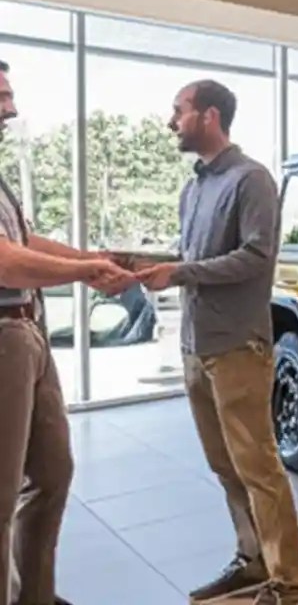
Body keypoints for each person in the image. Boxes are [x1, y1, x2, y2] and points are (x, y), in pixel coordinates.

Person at [132, 79, 298, 605]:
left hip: (238, 347)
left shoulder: (251, 179)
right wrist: (143, 264)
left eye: (178, 110)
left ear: (209, 116)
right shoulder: (194, 188)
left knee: (258, 467)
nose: (171, 121)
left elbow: (257, 257)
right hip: (196, 345)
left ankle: (290, 581)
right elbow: (194, 254)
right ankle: (253, 561)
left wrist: (180, 271)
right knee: (225, 466)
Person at [0, 58, 135, 605]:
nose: (11, 107)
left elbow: (26, 238)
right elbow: (6, 263)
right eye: (1, 94)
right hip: (3, 338)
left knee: (52, 474)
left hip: (29, 332)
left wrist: (92, 258)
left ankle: (35, 597)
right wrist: (85, 272)